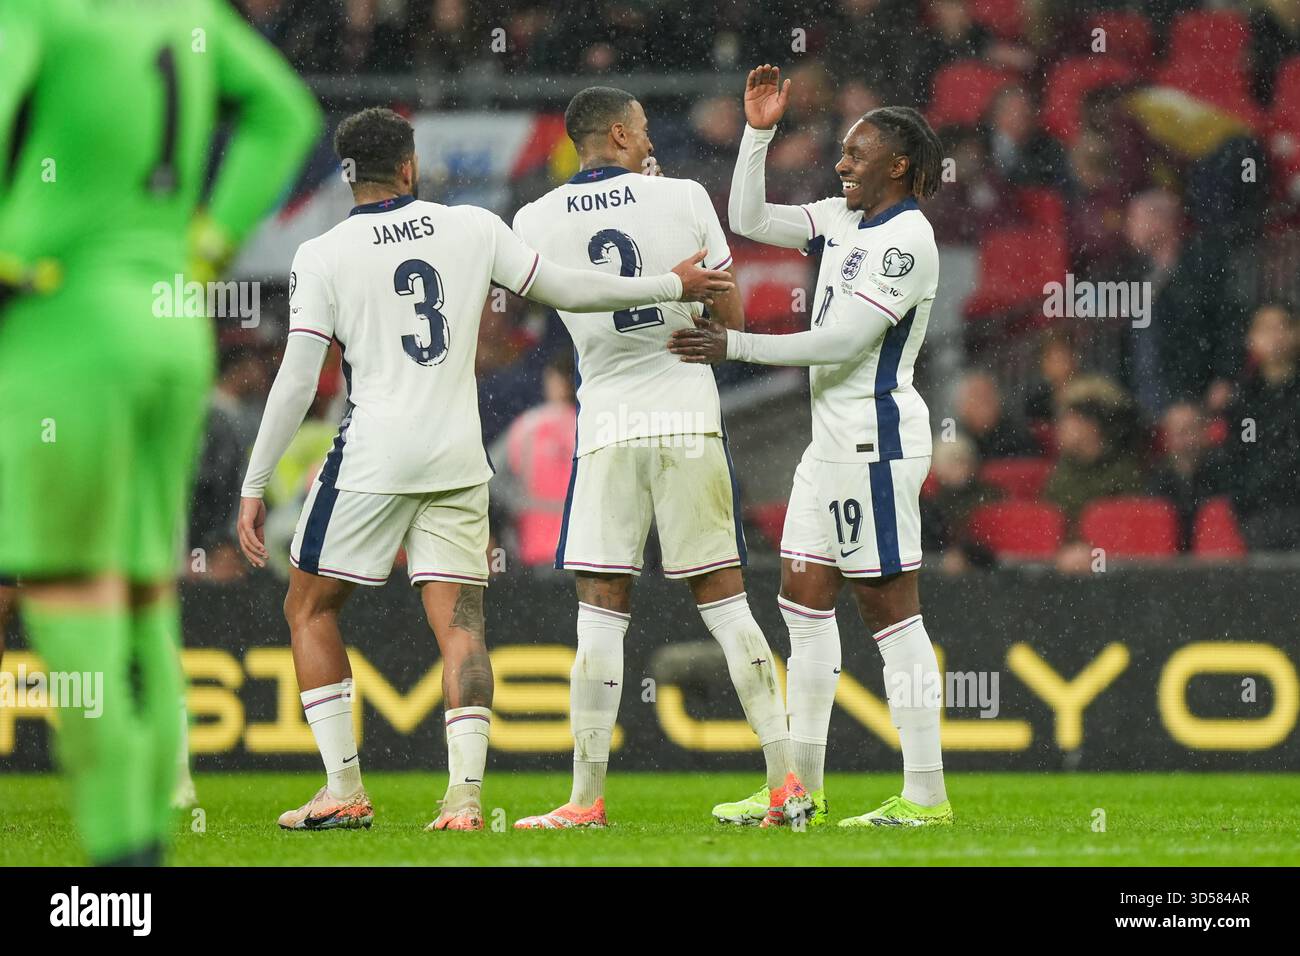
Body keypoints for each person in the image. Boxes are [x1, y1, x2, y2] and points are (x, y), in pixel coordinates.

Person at [236, 107, 733, 833]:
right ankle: (464, 800)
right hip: (458, 456)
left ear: (349, 174)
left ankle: (343, 788)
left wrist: (256, 483)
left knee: (308, 608)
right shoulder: (469, 227)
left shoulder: (323, 254)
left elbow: (295, 377)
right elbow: (569, 288)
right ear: (409, 165)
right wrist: (668, 282)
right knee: (462, 627)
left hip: (374, 452)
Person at [0, 0, 321, 866]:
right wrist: (209, 243)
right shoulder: (183, 13)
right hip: (170, 323)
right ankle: (152, 821)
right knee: (143, 594)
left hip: (65, 322)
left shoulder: (36, 13)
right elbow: (286, 112)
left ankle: (120, 862)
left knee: (69, 599)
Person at [511, 86, 810, 829]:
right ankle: (786, 784)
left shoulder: (533, 217)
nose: (652, 141)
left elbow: (542, 305)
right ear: (617, 131)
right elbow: (730, 319)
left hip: (607, 421)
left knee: (600, 612)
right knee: (728, 602)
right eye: (643, 129)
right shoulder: (682, 197)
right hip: (687, 410)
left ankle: (585, 800)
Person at [671, 65, 954, 828]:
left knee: (893, 614)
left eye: (857, 154)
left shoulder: (908, 239)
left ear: (897, 164)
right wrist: (757, 132)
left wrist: (736, 346)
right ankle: (800, 788)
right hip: (825, 447)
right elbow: (749, 215)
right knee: (802, 608)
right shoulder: (840, 218)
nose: (841, 163)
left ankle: (926, 794)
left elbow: (843, 339)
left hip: (875, 441)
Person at [1223, 304, 1300, 550]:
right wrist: (1247, 502)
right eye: (1266, 329)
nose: (1276, 336)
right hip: (1260, 513)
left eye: (1282, 326)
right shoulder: (1245, 400)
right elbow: (1243, 450)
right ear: (1251, 339)